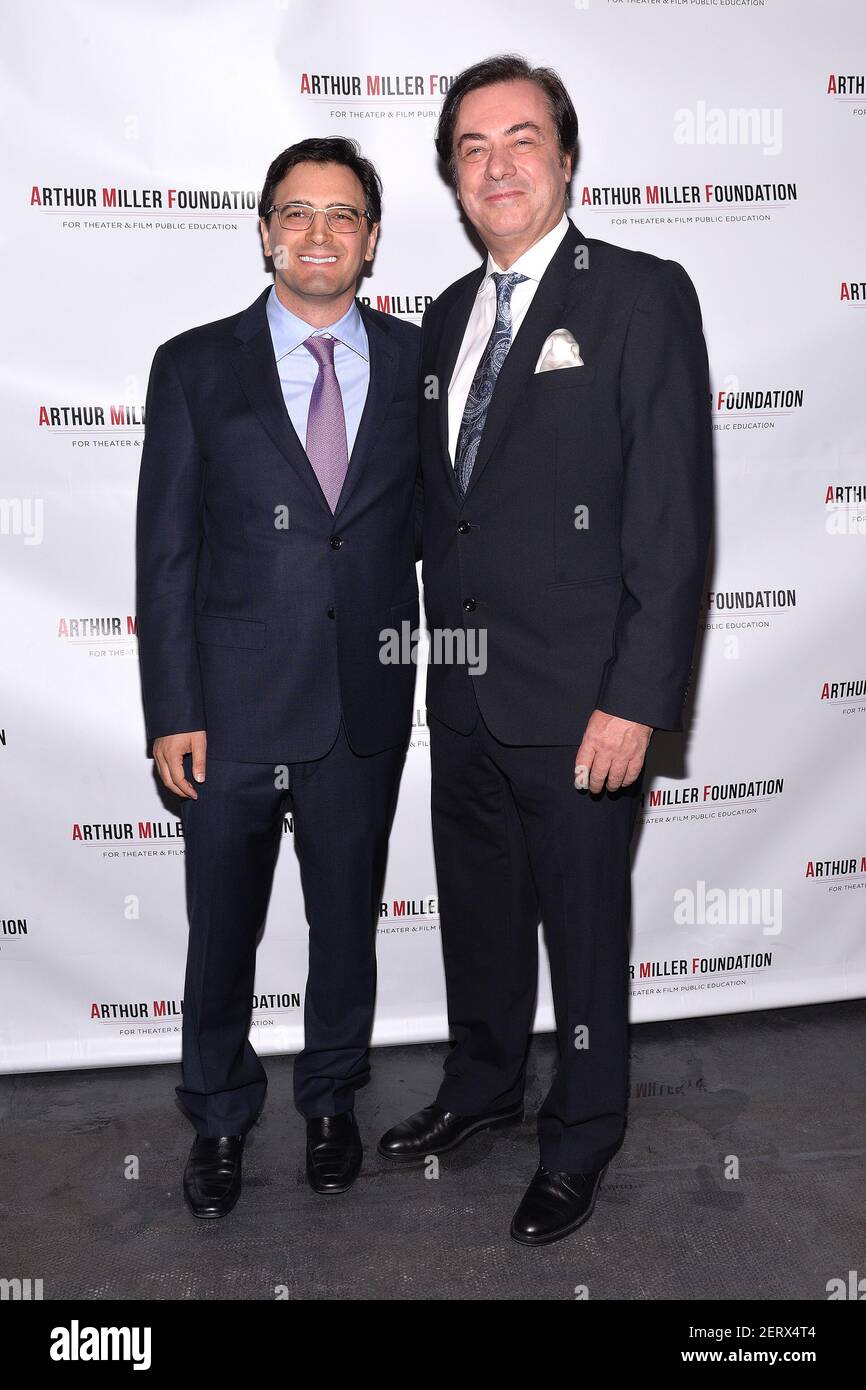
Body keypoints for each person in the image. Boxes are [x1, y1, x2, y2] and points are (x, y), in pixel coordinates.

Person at [378, 55, 713, 1245]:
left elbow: (671, 525)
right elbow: (440, 513)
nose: (498, 164)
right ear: (453, 180)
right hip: (461, 695)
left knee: (581, 932)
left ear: (565, 160)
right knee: (474, 913)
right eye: (472, 148)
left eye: (522, 139)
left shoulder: (637, 293)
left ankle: (580, 1136)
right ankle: (479, 1088)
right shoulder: (444, 320)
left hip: (582, 705)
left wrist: (636, 701)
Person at [136, 136, 421, 1217]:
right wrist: (174, 709)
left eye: (340, 215)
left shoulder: (414, 360)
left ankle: (334, 1099)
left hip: (364, 699)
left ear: (370, 239)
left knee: (345, 918)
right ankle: (216, 1115)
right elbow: (164, 552)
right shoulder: (193, 365)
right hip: (231, 708)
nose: (316, 234)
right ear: (263, 232)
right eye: (294, 214)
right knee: (223, 926)